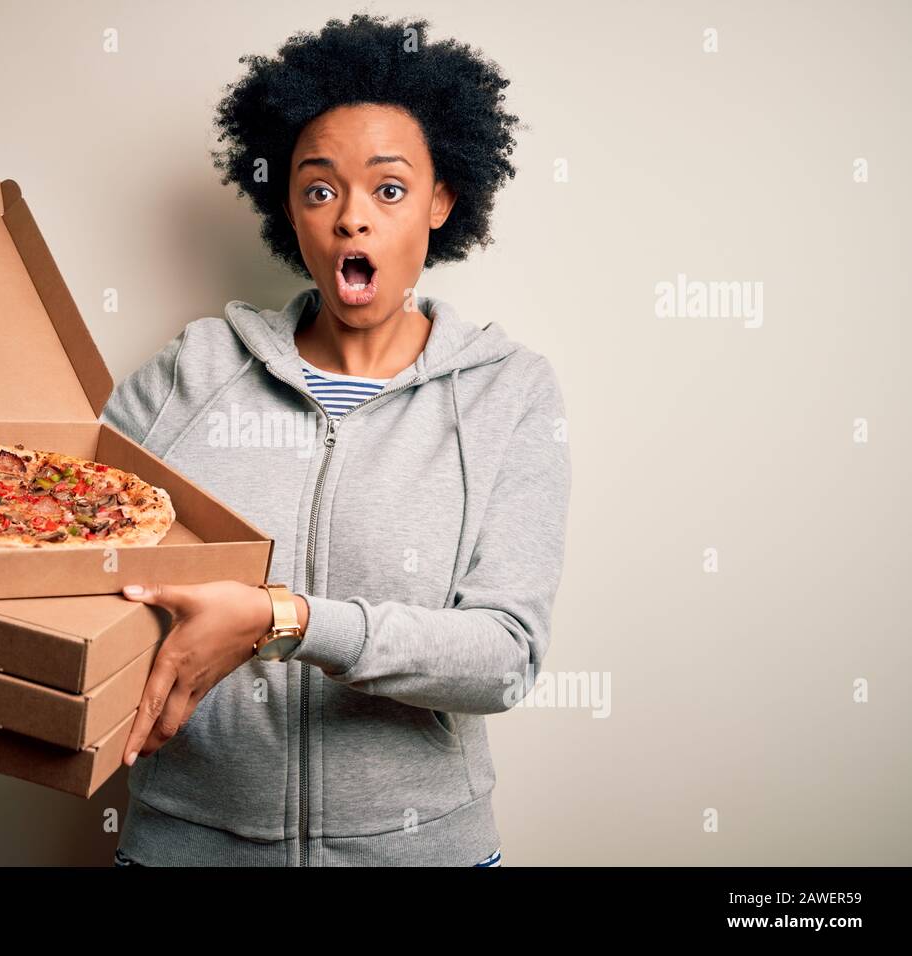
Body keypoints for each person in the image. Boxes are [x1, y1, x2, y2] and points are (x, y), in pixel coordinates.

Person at [101, 12, 569, 867]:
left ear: (441, 200)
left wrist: (287, 618)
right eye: (320, 190)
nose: (352, 219)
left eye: (389, 190)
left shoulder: (509, 391)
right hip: (186, 848)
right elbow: (65, 558)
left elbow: (504, 656)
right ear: (289, 207)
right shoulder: (193, 374)